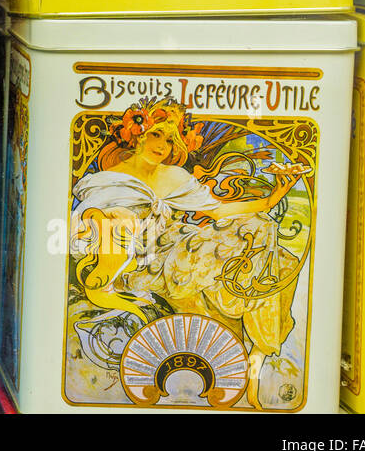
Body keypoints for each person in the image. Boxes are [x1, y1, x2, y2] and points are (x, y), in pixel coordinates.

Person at [70, 100, 303, 408]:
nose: (162, 146)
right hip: (143, 264)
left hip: (177, 243)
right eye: (155, 135)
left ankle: (259, 347)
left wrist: (269, 200)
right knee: (235, 252)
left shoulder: (172, 177)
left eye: (169, 140)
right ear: (137, 135)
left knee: (263, 231)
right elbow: (81, 236)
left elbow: (217, 210)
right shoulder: (105, 181)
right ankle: (251, 344)